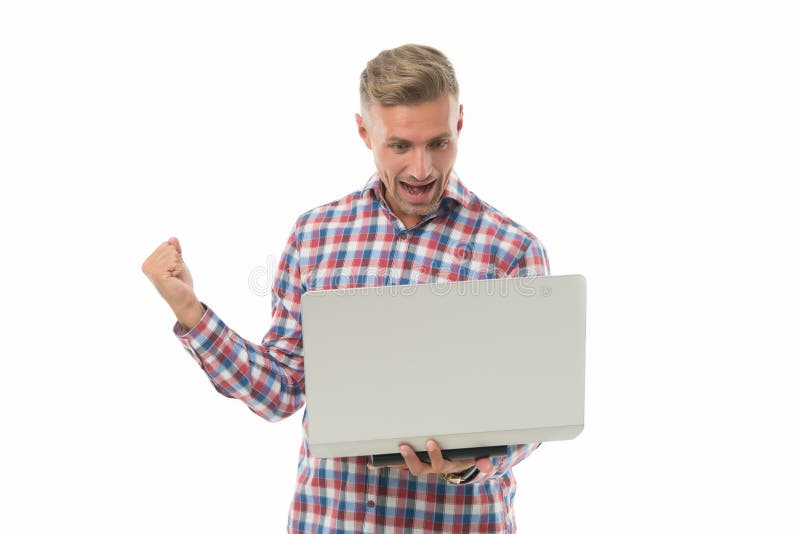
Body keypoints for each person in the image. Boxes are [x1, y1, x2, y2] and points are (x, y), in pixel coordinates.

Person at [142, 44, 550, 533]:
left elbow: (534, 413)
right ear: (364, 132)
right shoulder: (316, 234)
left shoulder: (512, 249)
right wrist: (192, 313)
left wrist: (468, 462)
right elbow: (280, 392)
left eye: (438, 143)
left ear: (460, 123)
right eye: (400, 146)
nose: (422, 169)